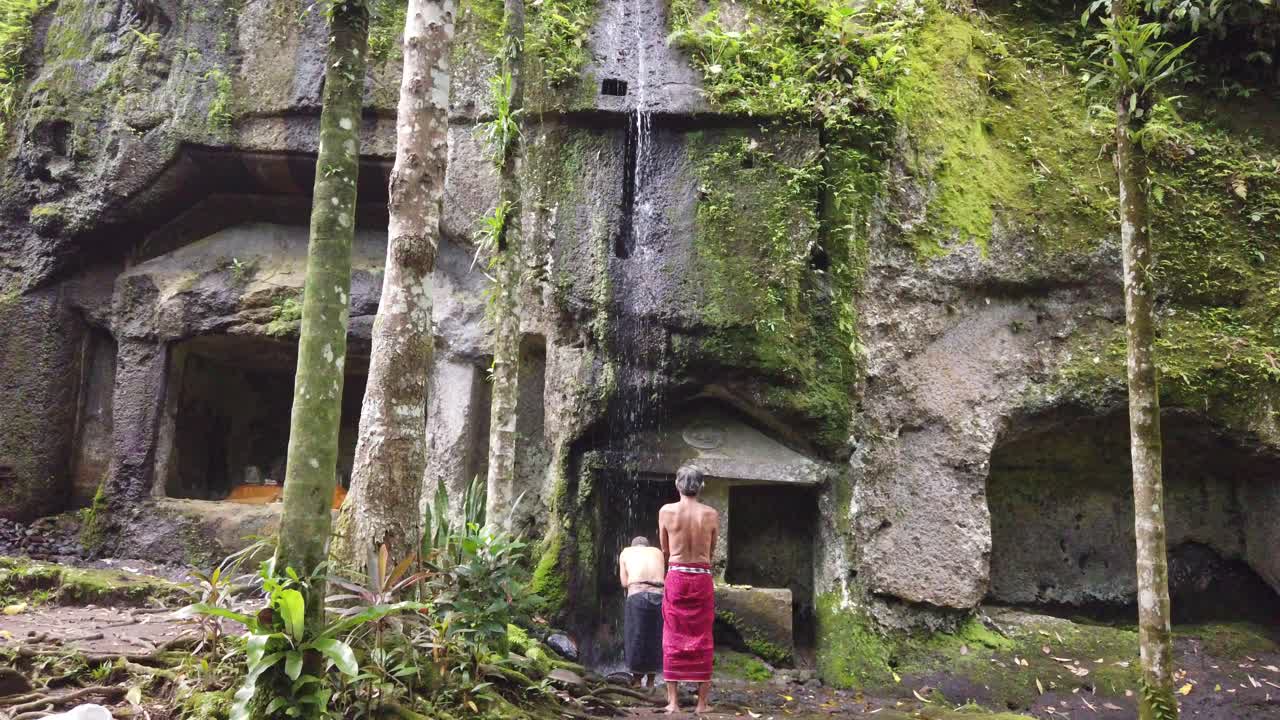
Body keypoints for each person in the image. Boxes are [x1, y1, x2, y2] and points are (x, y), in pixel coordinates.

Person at [658, 465, 719, 715]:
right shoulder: (711, 514)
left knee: (672, 632)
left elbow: (664, 548)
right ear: (702, 486)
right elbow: (713, 549)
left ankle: (673, 702)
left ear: (677, 485)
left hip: (676, 575)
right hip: (702, 575)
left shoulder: (666, 511)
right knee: (703, 633)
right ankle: (702, 704)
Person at [619, 536, 665, 688]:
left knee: (636, 635)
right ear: (647, 546)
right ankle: (651, 681)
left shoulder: (626, 552)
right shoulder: (658, 552)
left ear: (633, 545)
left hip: (637, 594)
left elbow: (624, 583)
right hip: (659, 595)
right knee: (656, 636)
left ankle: (637, 680)